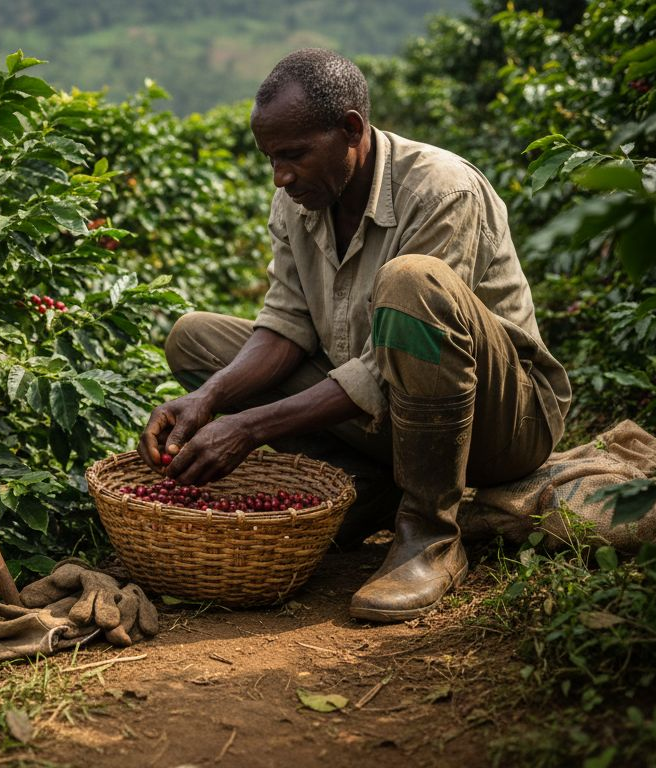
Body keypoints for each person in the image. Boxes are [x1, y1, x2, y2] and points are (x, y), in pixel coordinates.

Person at [137, 49, 572, 622]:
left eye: (294, 155)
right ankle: (367, 490)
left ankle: (429, 532)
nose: (281, 176)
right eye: (271, 159)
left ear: (350, 130)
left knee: (413, 282)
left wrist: (248, 426)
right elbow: (285, 325)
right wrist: (209, 400)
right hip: (386, 416)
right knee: (195, 342)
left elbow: (391, 359)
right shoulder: (299, 202)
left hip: (498, 425)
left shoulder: (442, 190)